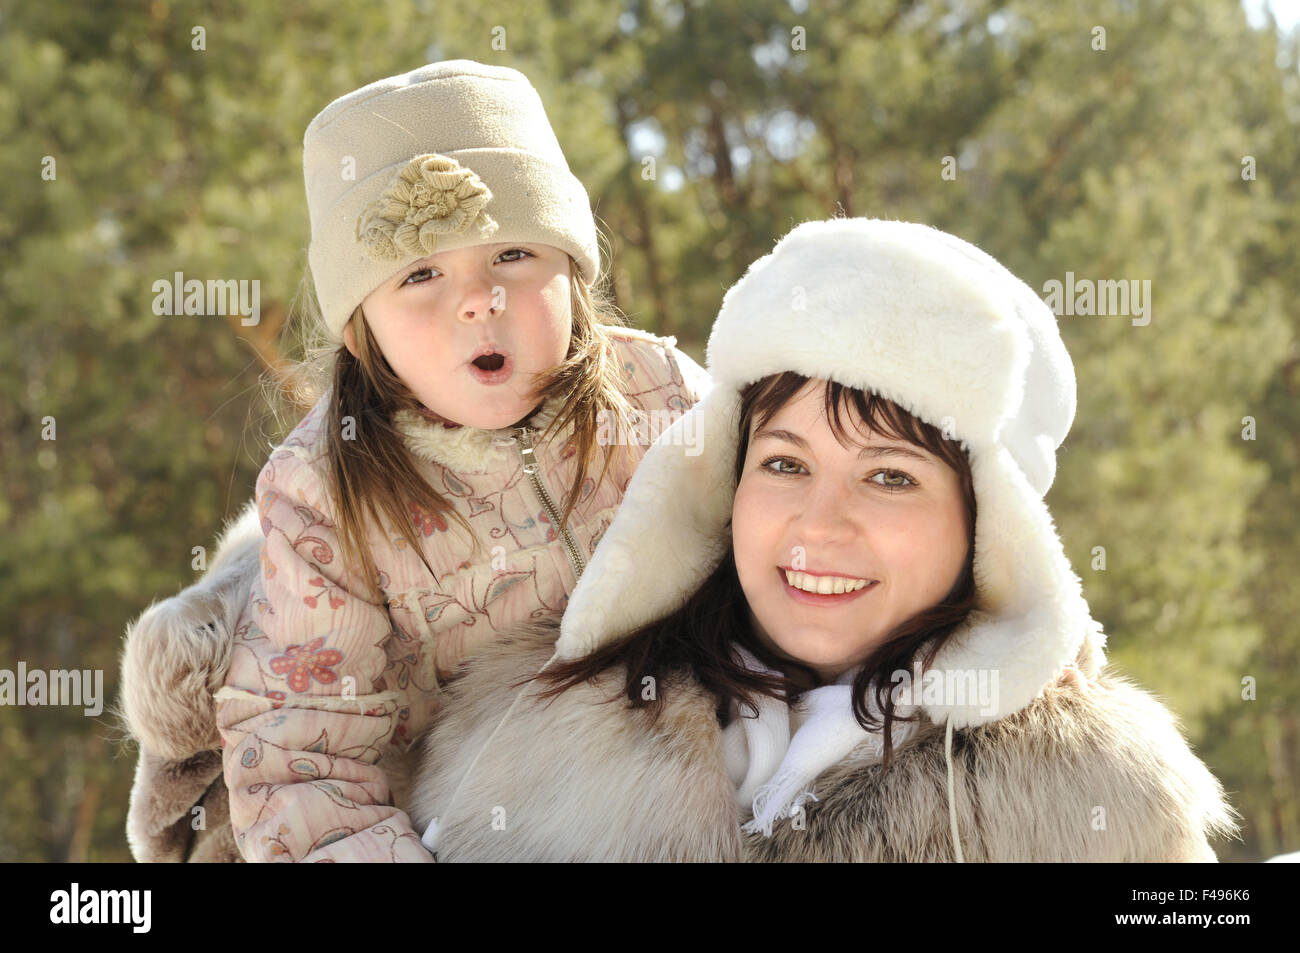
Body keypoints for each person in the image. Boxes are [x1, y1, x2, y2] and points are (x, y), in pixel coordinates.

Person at [408, 217, 1240, 862]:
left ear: (989, 525)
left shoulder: (1098, 802)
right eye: (784, 462)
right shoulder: (529, 733)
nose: (819, 524)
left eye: (890, 476)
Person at [116, 60, 709, 862]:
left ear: (572, 268)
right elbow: (303, 761)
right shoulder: (329, 499)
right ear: (363, 335)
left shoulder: (662, 397)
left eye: (511, 256)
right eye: (422, 274)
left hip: (689, 761)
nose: (477, 299)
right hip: (458, 808)